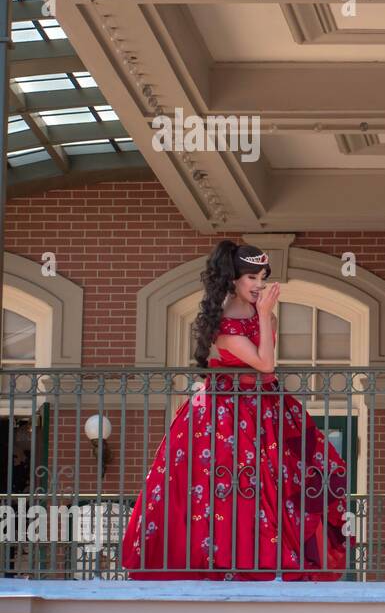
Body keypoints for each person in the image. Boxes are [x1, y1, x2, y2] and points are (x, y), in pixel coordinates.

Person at [122, 241, 352, 580]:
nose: (259, 285)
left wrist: (265, 316)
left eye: (262, 277)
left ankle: (275, 556)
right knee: (237, 484)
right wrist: (265, 315)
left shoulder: (260, 312)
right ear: (233, 279)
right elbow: (266, 363)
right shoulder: (224, 323)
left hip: (268, 408)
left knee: (296, 476)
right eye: (251, 278)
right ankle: (238, 562)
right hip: (226, 416)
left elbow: (268, 364)